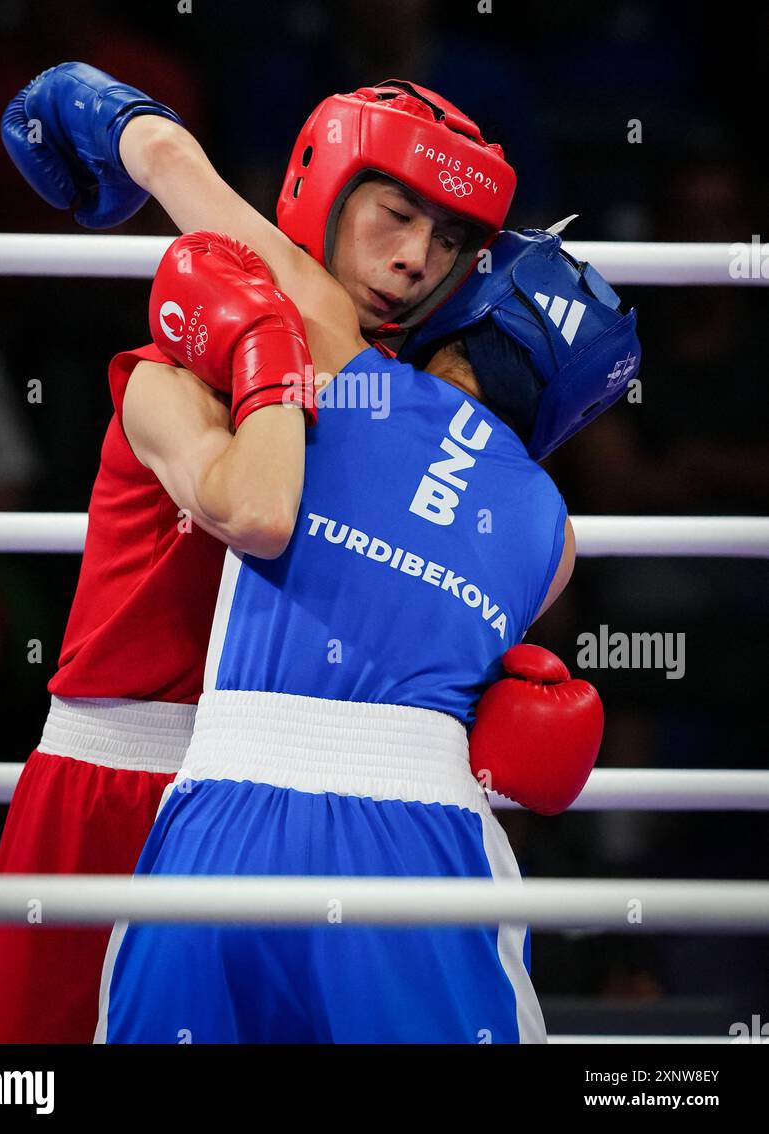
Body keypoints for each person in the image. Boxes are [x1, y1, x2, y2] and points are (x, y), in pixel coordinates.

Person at [0, 65, 519, 1043]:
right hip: (117, 779)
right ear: (331, 187)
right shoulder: (178, 372)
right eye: (393, 214)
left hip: (282, 805)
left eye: (447, 240)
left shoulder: (399, 410)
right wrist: (155, 146)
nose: (414, 259)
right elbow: (295, 322)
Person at [96, 219, 638, 1044]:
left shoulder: (335, 367)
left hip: (226, 815)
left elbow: (194, 187)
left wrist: (114, 122)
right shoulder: (553, 534)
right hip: (422, 835)